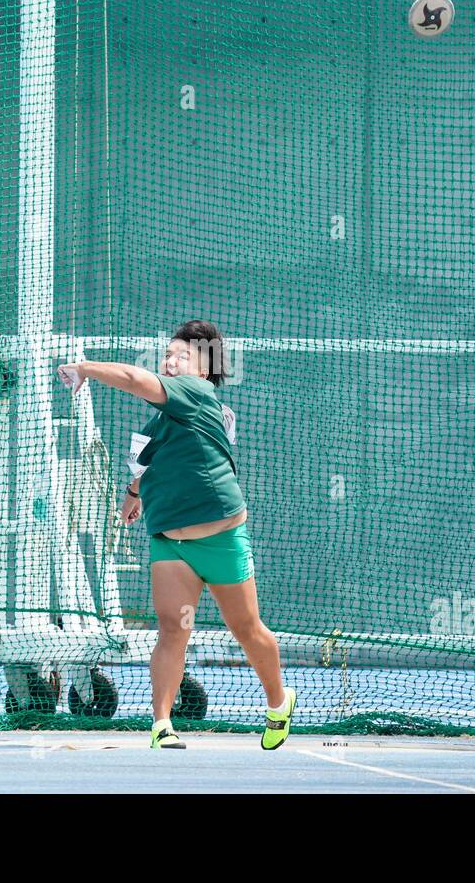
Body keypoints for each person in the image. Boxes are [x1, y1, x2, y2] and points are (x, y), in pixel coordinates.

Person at [57, 319, 295, 750]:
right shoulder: (162, 419)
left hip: (221, 538)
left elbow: (132, 378)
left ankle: (279, 703)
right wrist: (132, 494)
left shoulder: (198, 395)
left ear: (203, 371)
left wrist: (86, 368)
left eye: (181, 356)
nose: (170, 361)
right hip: (171, 541)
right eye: (167, 355)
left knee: (246, 629)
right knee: (173, 628)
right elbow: (146, 461)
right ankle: (162, 724)